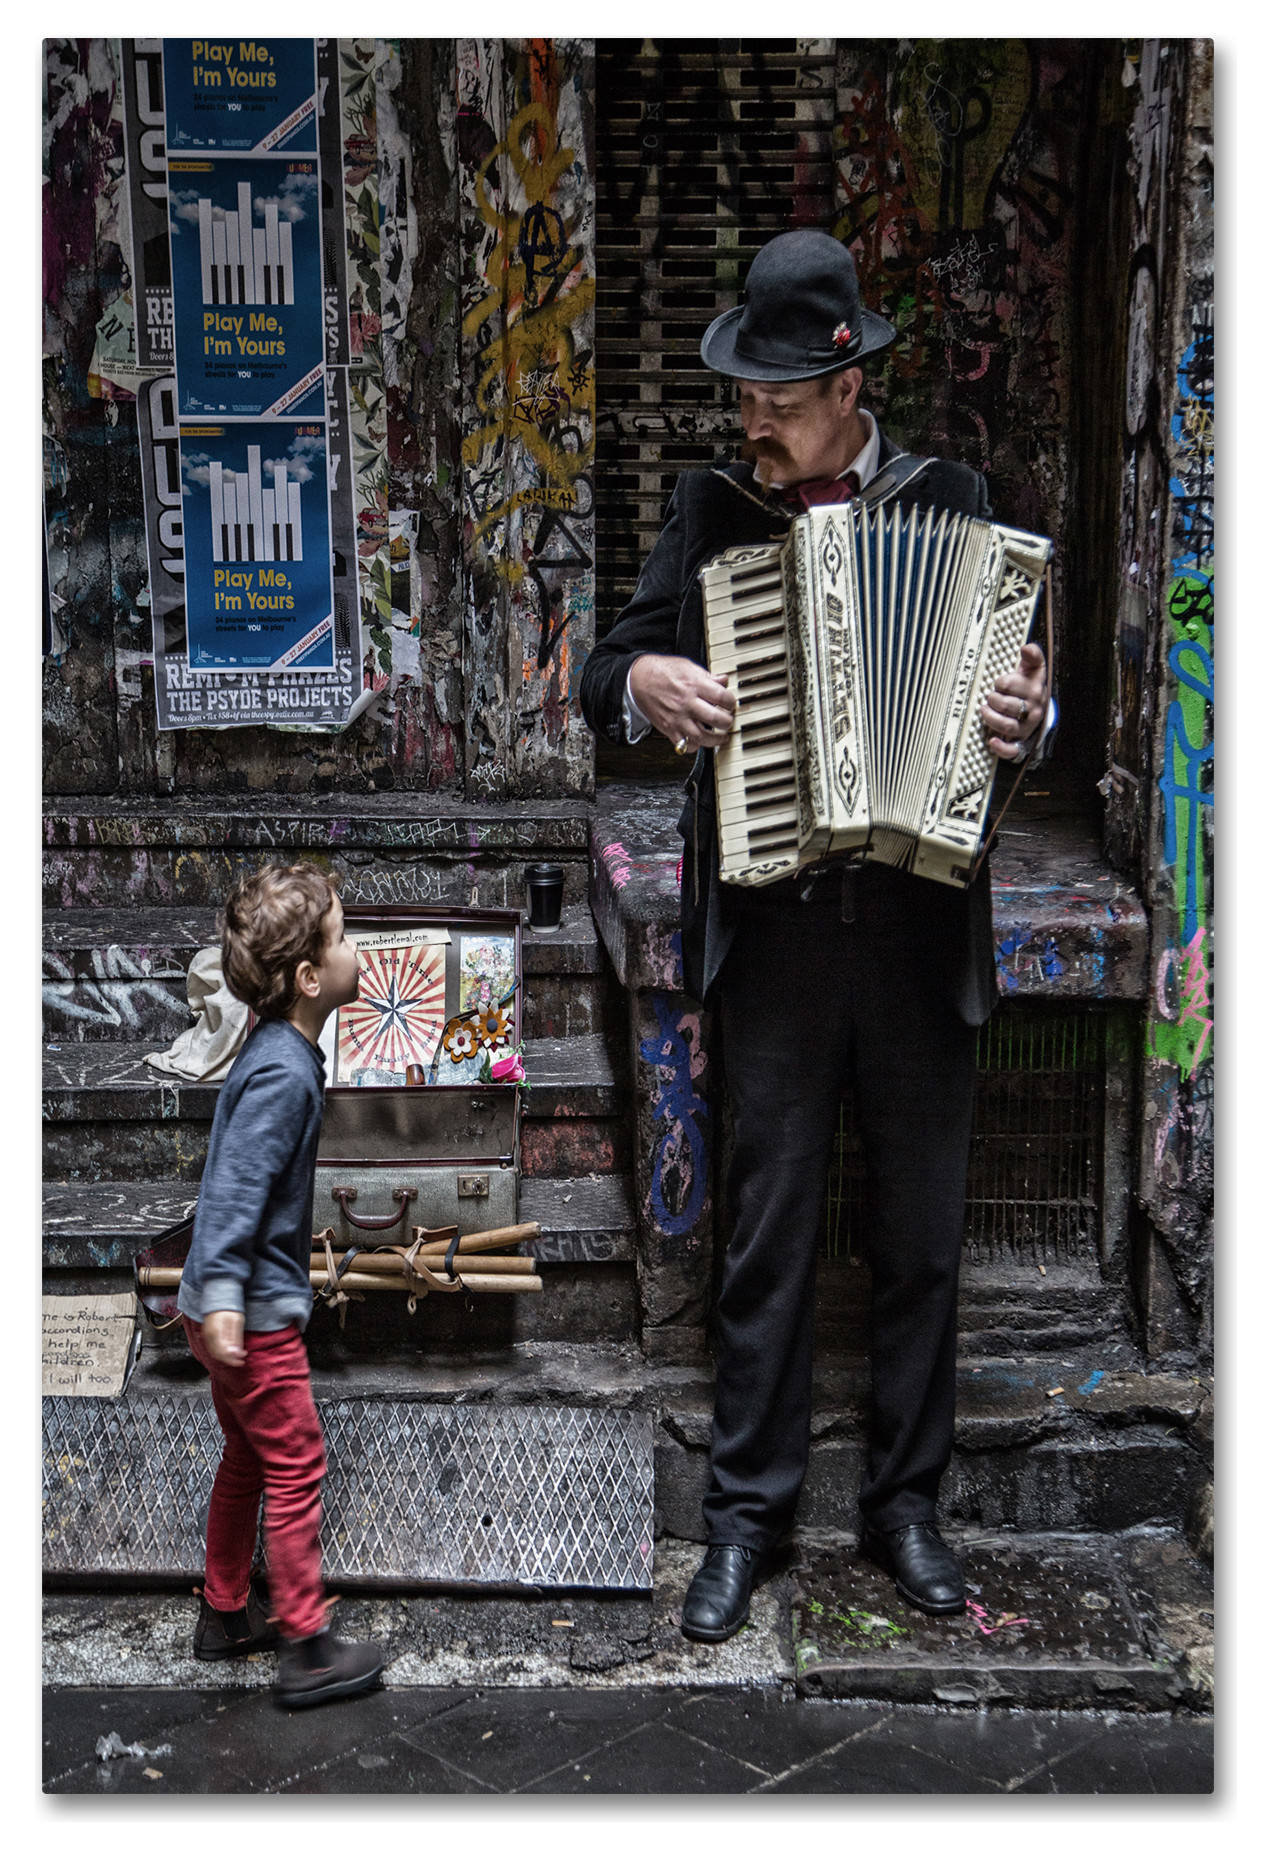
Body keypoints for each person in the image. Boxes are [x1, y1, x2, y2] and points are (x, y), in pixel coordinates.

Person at [580, 229, 1050, 1642]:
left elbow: (1018, 716)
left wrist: (1026, 725)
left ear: (849, 388)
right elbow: (609, 666)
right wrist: (646, 682)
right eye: (746, 397)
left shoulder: (956, 503)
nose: (755, 424)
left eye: (778, 400)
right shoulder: (713, 513)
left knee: (920, 1241)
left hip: (917, 932)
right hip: (775, 937)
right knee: (769, 1239)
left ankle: (907, 1511)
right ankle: (747, 1519)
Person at [177, 862, 386, 1707]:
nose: (354, 948)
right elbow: (235, 1186)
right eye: (341, 937)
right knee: (297, 1461)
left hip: (218, 1306)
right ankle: (306, 1646)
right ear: (308, 978)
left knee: (246, 1451)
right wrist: (230, 1293)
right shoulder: (283, 1073)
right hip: (249, 1316)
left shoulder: (279, 1047)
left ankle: (227, 1609)